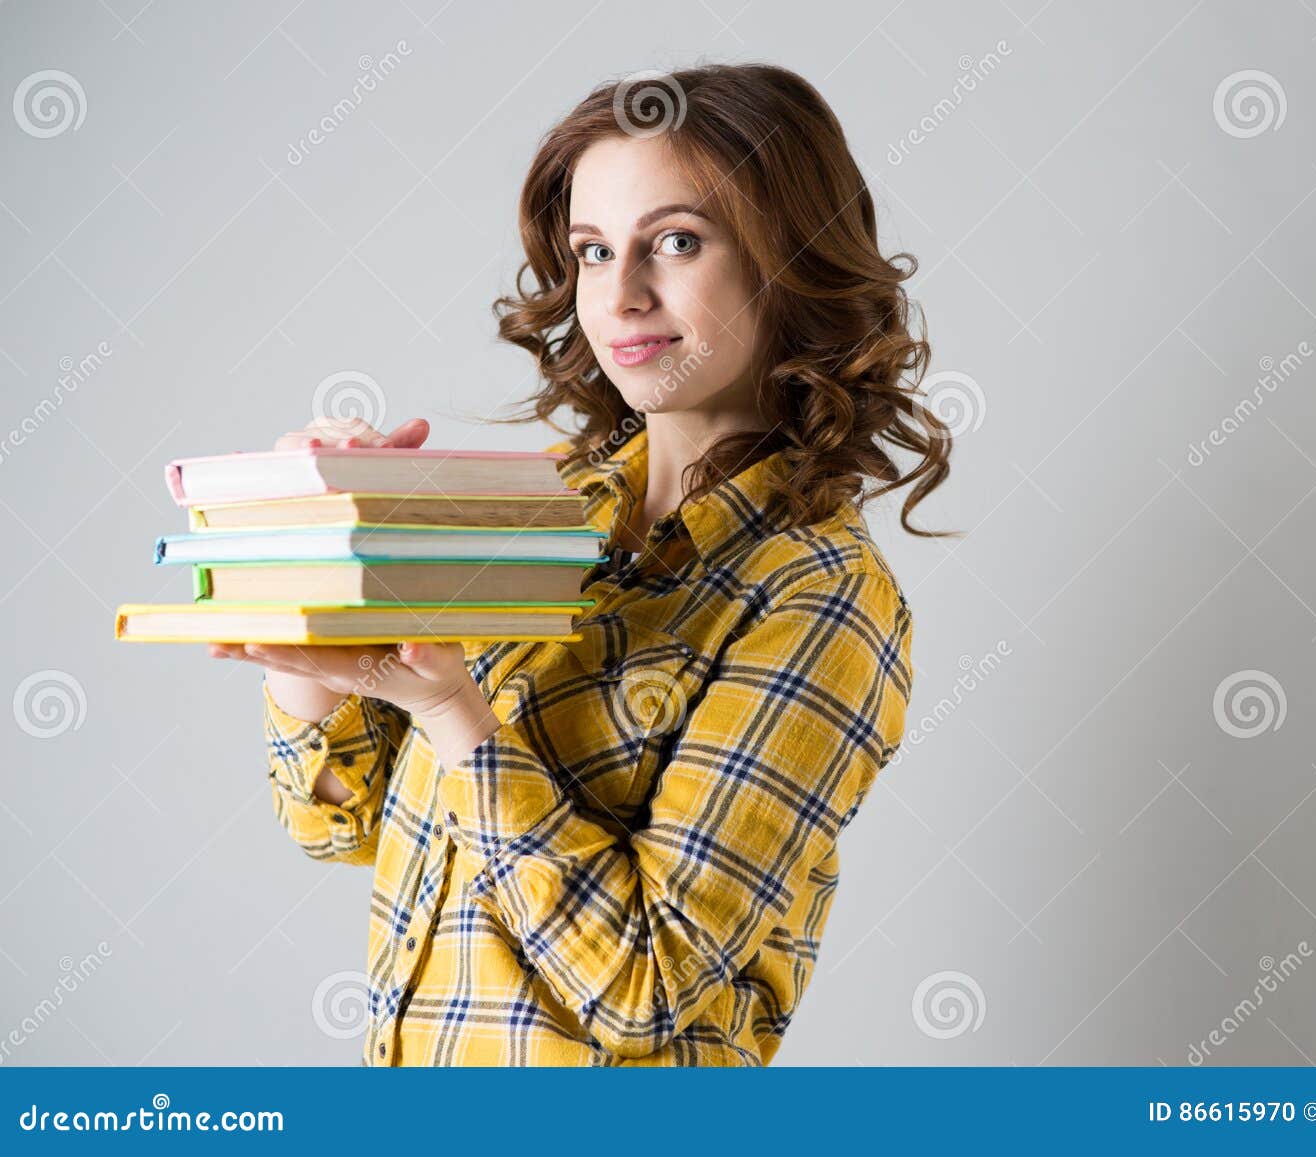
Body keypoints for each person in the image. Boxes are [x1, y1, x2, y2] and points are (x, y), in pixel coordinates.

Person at [212, 62, 954, 1065]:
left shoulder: (821, 596)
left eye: (677, 241)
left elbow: (647, 982)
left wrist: (455, 712)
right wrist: (317, 578)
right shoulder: (543, 510)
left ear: (788, 257)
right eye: (595, 251)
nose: (623, 295)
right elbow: (338, 824)